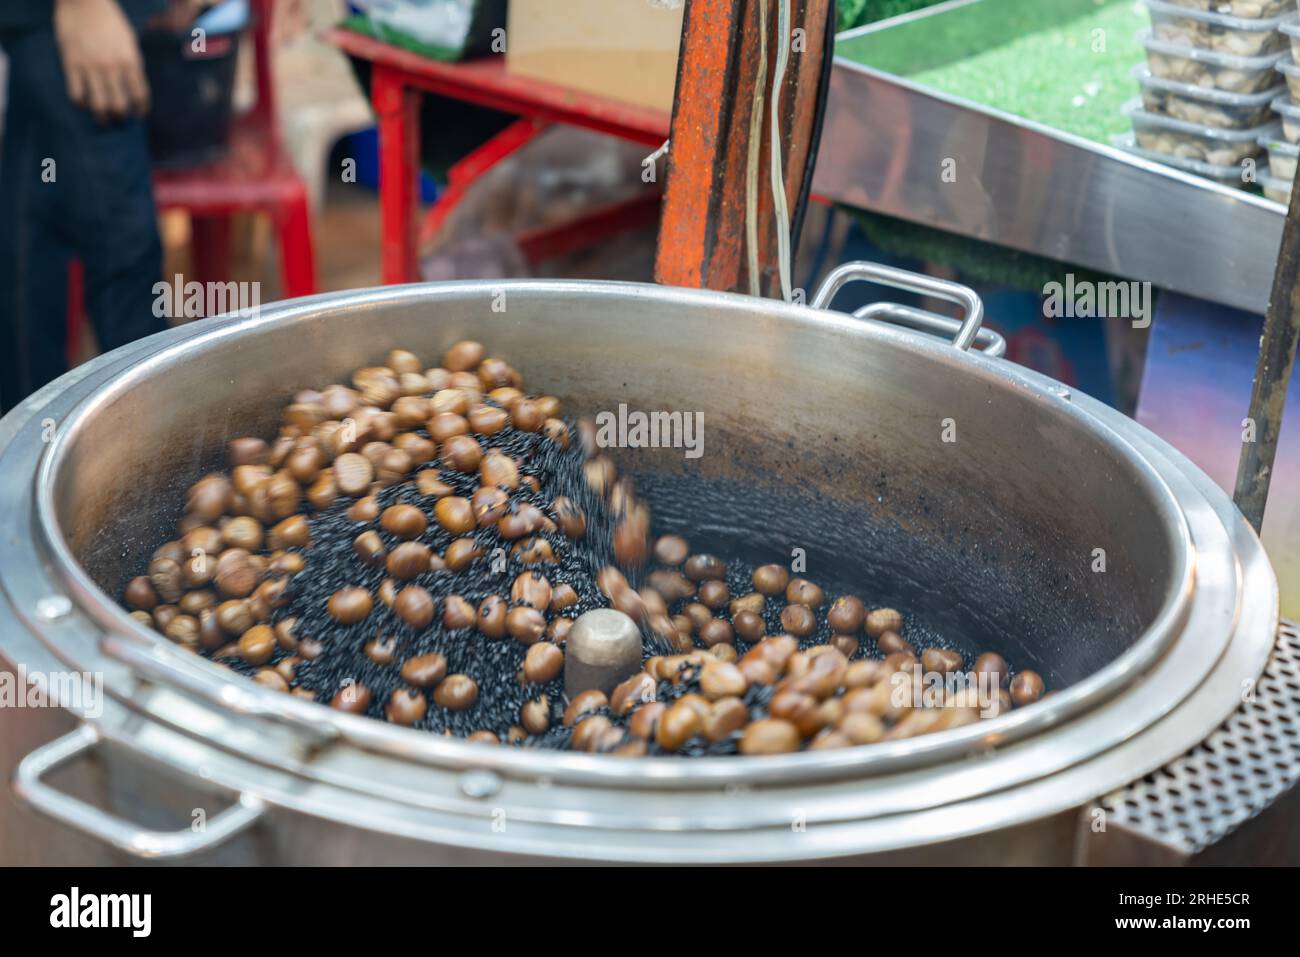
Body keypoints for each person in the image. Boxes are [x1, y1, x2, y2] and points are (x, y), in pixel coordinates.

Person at [0, 0, 176, 413]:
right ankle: (158, 447)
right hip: (72, 19)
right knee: (126, 261)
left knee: (32, 220)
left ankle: (21, 440)